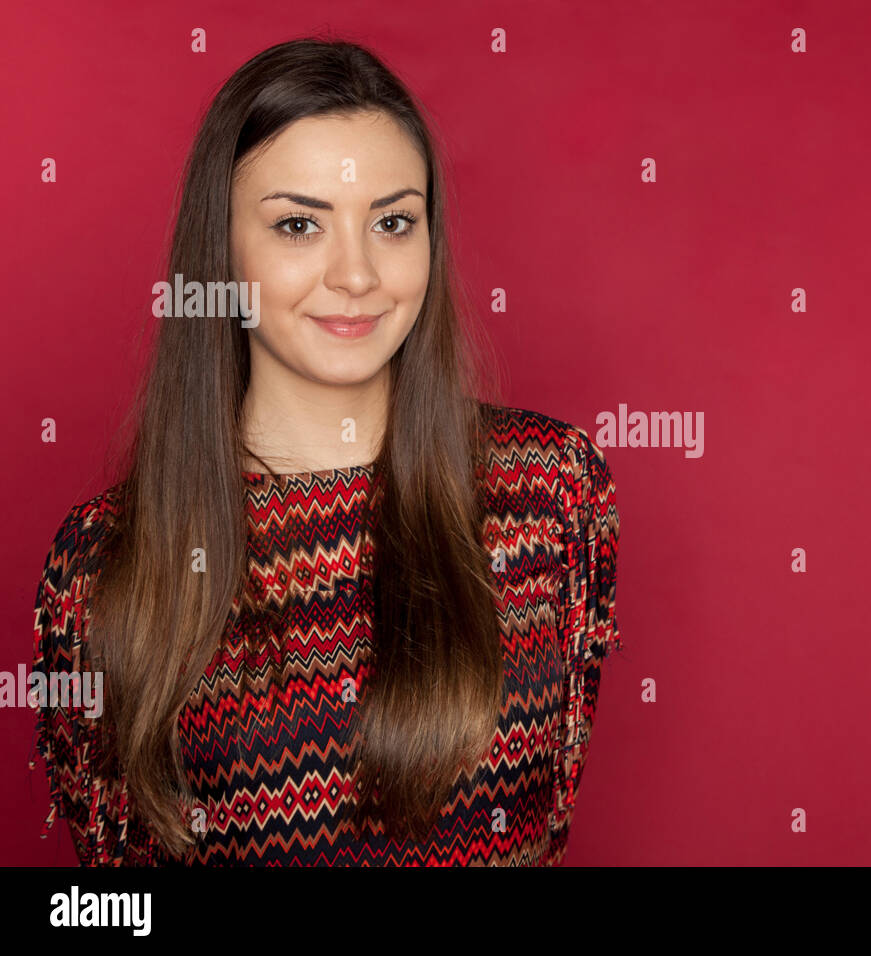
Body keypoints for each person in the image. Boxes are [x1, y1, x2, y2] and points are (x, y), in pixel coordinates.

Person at [29, 36, 622, 865]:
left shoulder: (549, 496)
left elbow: (546, 826)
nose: (356, 273)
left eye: (392, 222)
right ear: (222, 250)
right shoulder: (101, 567)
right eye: (299, 224)